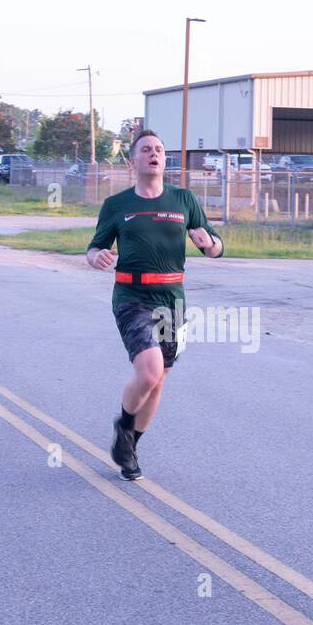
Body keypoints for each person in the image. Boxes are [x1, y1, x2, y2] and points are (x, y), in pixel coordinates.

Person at [86, 130, 224, 480]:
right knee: (148, 371)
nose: (154, 154)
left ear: (165, 159)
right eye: (146, 149)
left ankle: (130, 444)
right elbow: (93, 248)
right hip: (132, 297)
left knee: (158, 382)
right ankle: (124, 425)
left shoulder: (184, 200)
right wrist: (97, 256)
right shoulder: (117, 205)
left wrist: (209, 244)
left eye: (159, 149)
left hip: (172, 300)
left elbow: (216, 244)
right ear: (133, 162)